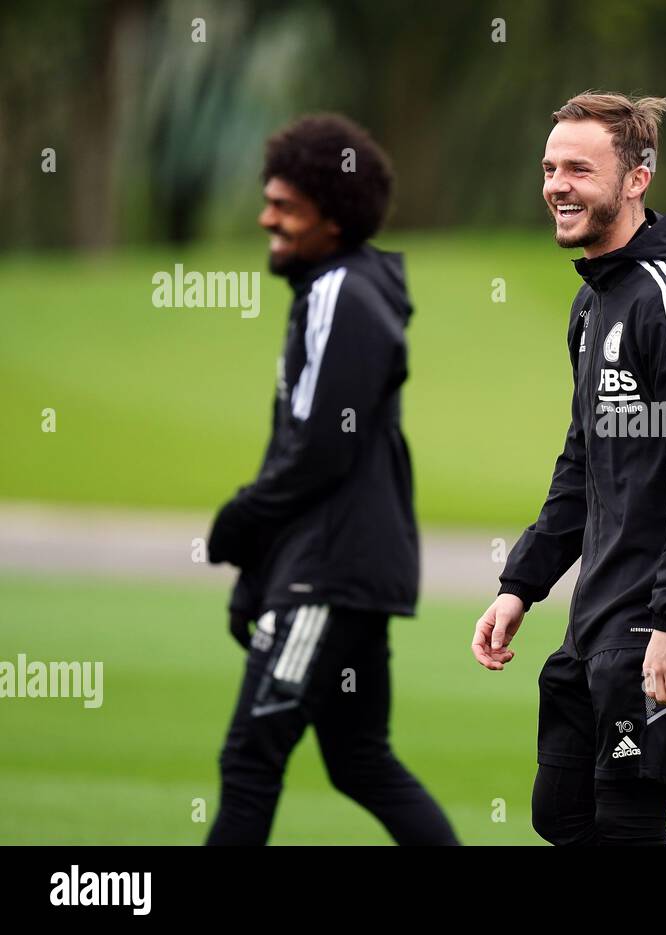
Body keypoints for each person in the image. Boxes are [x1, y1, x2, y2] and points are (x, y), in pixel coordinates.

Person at [471, 92, 666, 846]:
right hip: (598, 610)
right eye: (551, 168)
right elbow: (581, 460)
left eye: (580, 169)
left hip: (660, 610)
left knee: (626, 820)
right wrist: (522, 583)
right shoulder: (593, 305)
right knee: (560, 813)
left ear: (636, 180)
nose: (558, 184)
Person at [205, 114, 456, 846]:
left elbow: (318, 450)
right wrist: (256, 572)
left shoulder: (338, 295)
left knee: (249, 759)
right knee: (359, 760)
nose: (266, 218)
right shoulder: (339, 290)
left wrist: (237, 523)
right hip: (335, 571)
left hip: (327, 577)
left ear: (333, 218)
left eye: (284, 206)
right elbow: (308, 444)